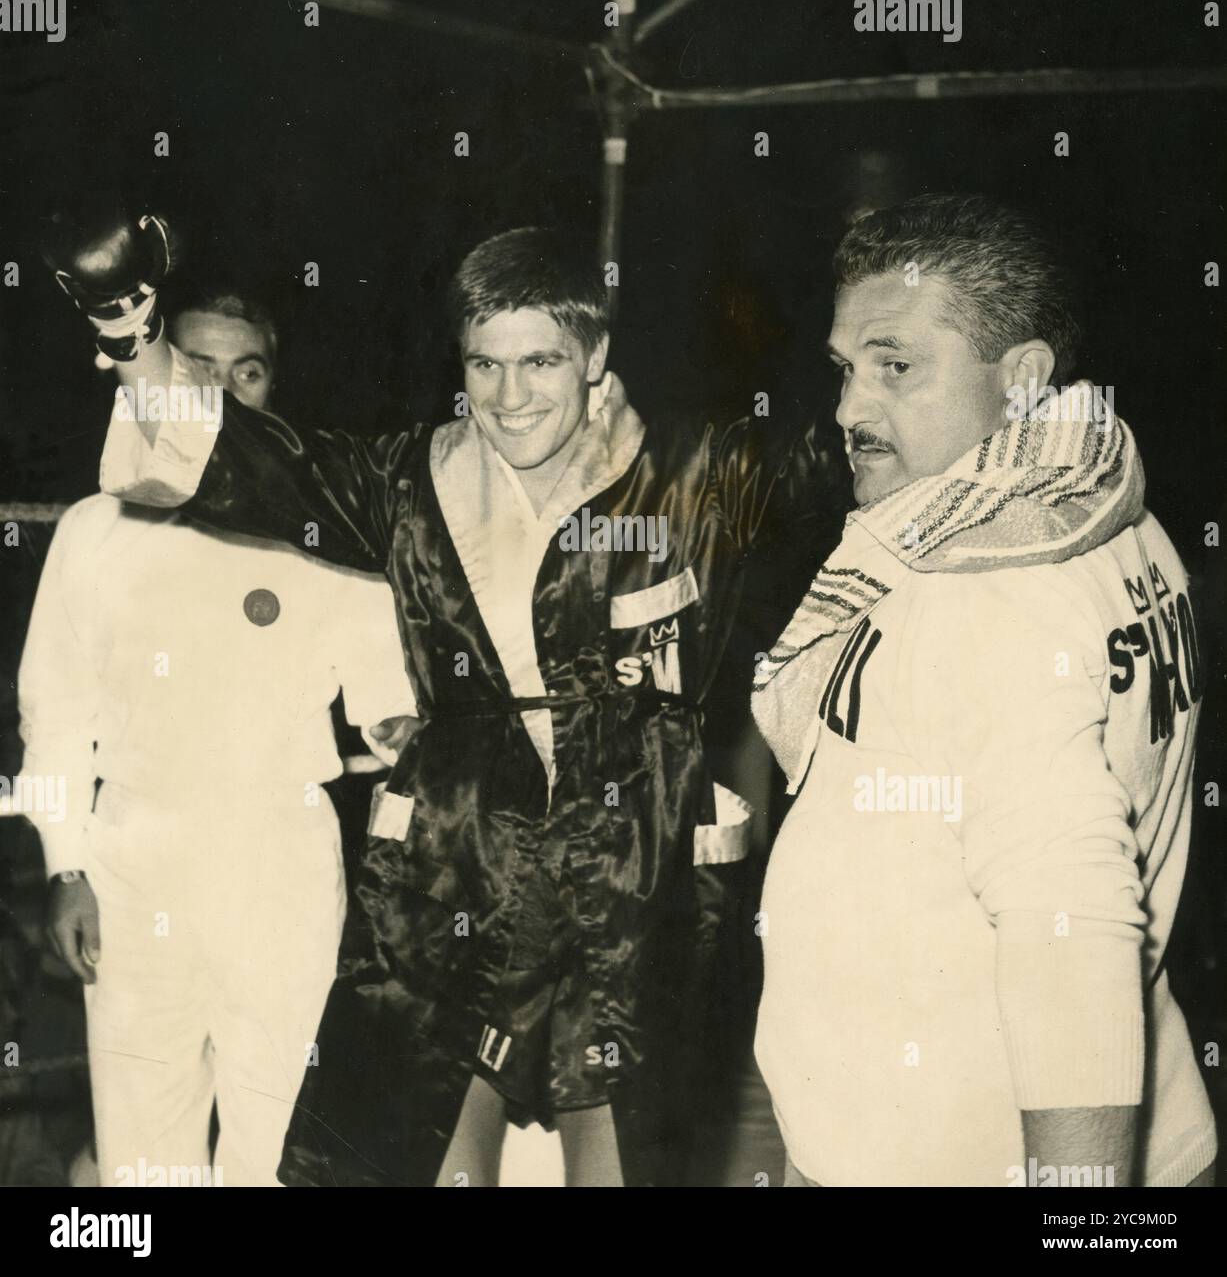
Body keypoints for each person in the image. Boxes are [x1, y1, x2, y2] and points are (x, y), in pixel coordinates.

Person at [53, 215, 843, 1186]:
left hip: (629, 881)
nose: (510, 399)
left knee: (627, 1163)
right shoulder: (406, 480)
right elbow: (254, 468)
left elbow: (854, 471)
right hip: (457, 877)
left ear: (594, 353)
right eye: (485, 365)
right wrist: (130, 334)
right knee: (420, 1160)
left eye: (541, 362)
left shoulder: (700, 476)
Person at [752, 192, 1217, 1187]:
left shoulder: (988, 594)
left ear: (1026, 379)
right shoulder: (1115, 515)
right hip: (990, 1125)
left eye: (896, 367)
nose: (847, 409)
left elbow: (1073, 935)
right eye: (844, 369)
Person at [17, 281, 415, 1187]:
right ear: (144, 377)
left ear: (273, 389)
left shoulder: (325, 536)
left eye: (249, 373)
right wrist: (65, 868)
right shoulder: (92, 532)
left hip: (282, 861)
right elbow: (54, 718)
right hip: (132, 858)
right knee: (141, 1153)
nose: (224, 398)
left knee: (275, 1144)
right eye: (198, 371)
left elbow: (391, 714)